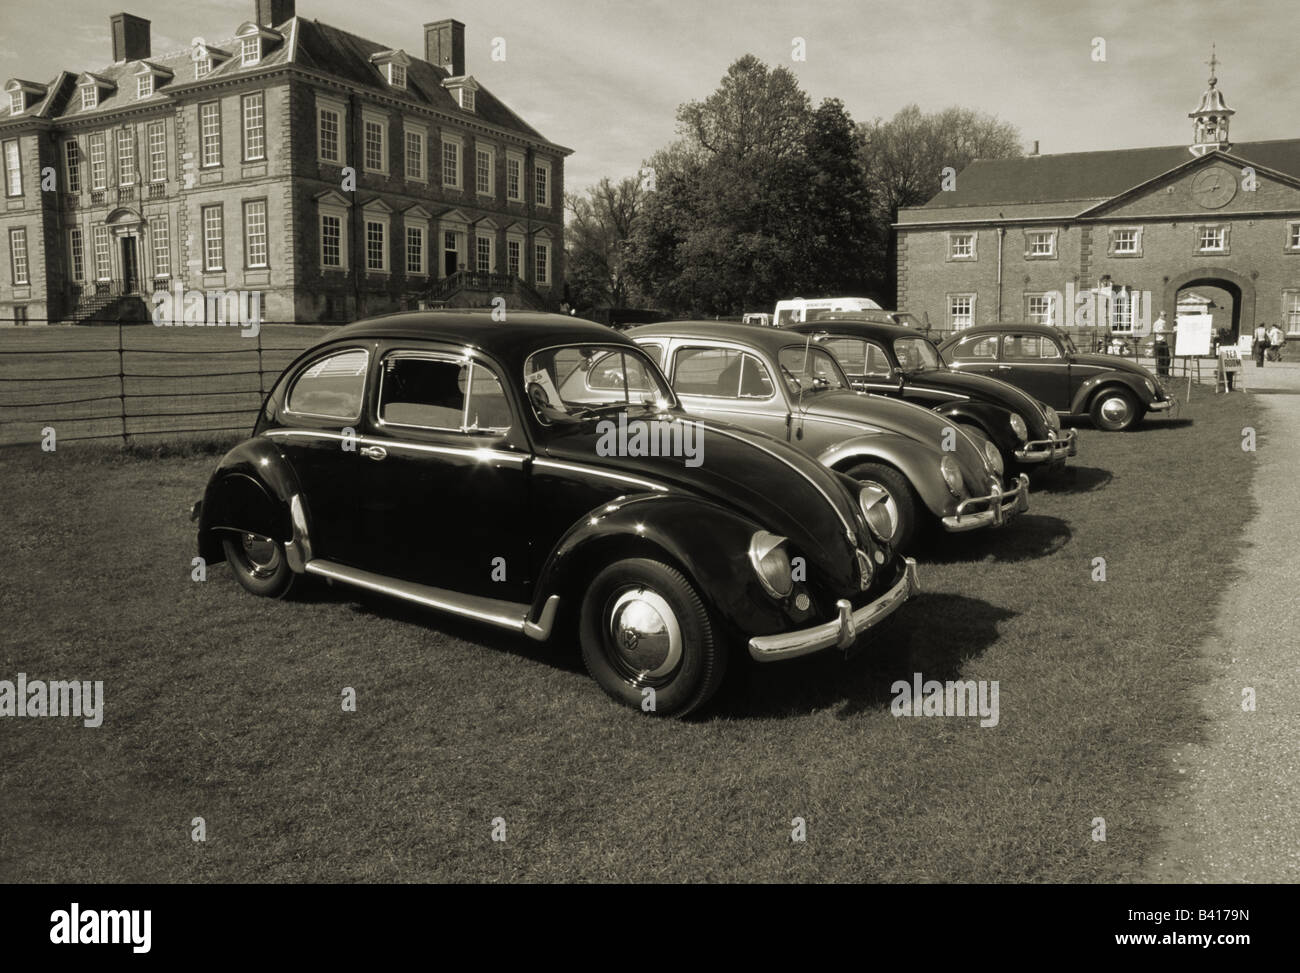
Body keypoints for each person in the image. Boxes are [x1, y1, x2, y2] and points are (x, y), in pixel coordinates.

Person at [1152, 311, 1170, 376]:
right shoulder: (1162, 322)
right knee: (1166, 358)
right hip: (1162, 342)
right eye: (1164, 315)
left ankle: (1160, 373)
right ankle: (1164, 373)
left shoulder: (1155, 323)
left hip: (1157, 342)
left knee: (1160, 358)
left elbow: (1155, 331)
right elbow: (1161, 330)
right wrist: (1170, 331)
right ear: (1160, 315)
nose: (1165, 316)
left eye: (1165, 315)